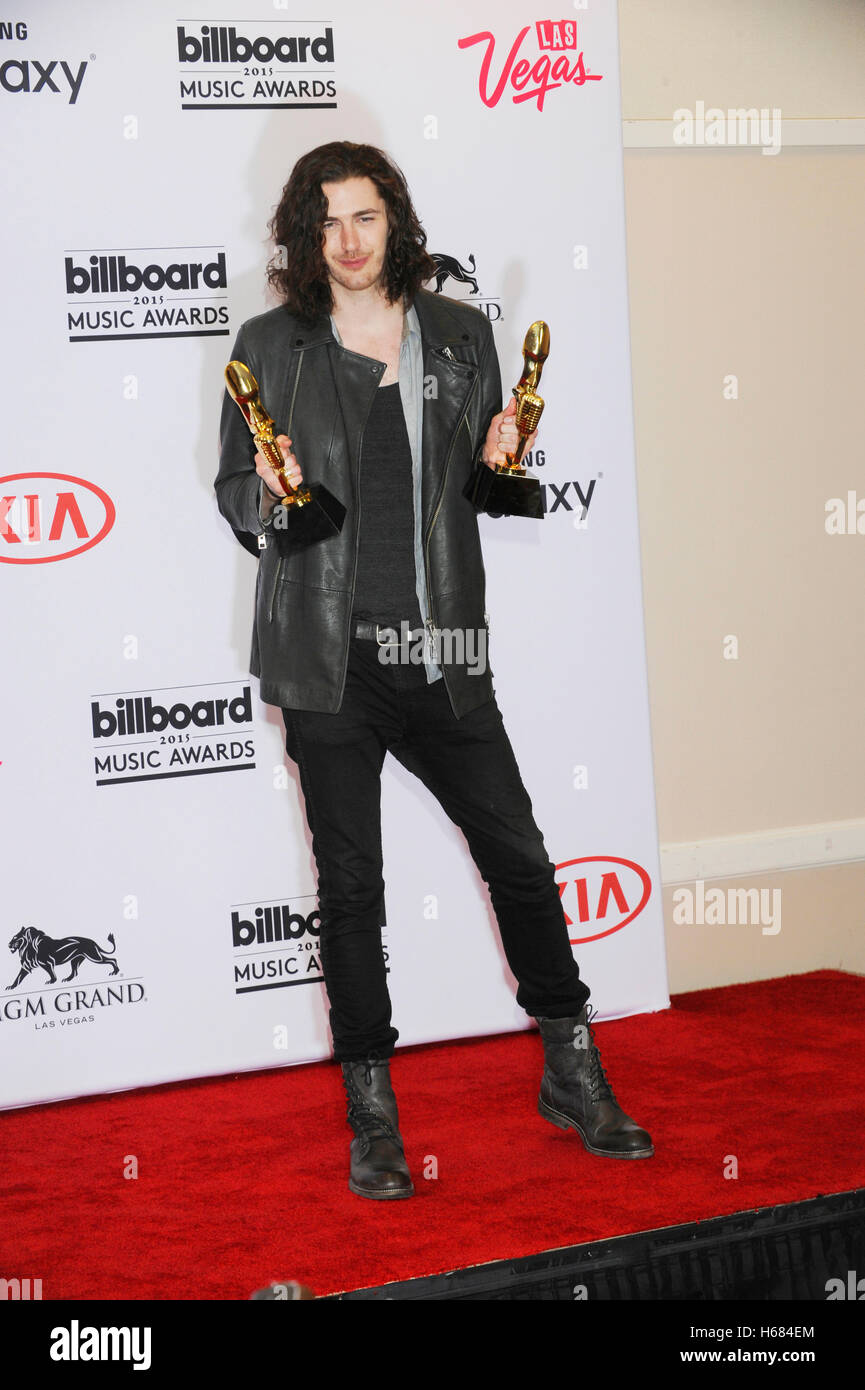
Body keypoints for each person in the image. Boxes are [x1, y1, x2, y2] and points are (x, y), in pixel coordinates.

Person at [216, 141, 652, 1200]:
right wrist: (274, 495)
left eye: (363, 217)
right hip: (326, 661)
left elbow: (475, 489)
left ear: (395, 220)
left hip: (443, 649)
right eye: (325, 223)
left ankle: (572, 1066)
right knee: (353, 889)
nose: (347, 241)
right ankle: (374, 1116)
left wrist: (501, 460)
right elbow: (238, 498)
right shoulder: (269, 344)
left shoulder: (460, 335)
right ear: (302, 237)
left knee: (520, 855)